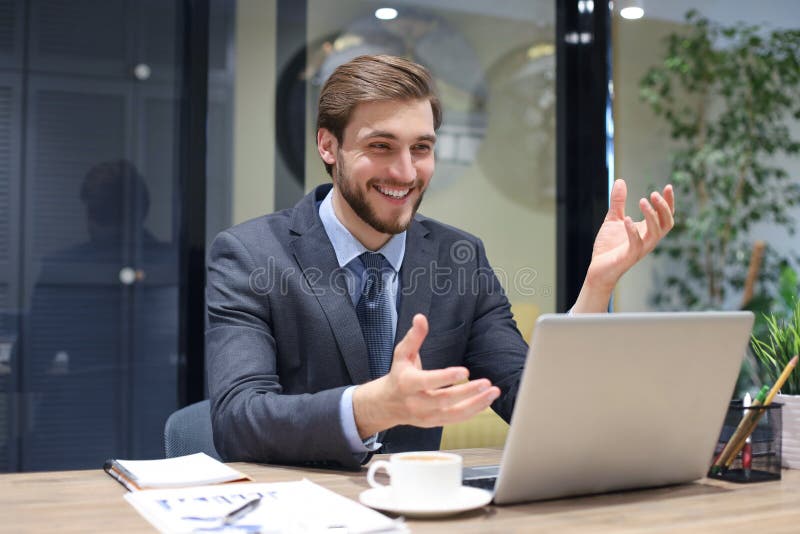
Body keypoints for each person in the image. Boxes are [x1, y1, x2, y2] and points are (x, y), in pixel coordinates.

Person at [206, 55, 675, 469]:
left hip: (427, 515)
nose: (406, 173)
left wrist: (596, 288)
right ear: (328, 146)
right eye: (380, 146)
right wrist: (374, 406)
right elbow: (238, 419)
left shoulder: (460, 258)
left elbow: (532, 401)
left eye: (421, 148)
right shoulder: (250, 255)